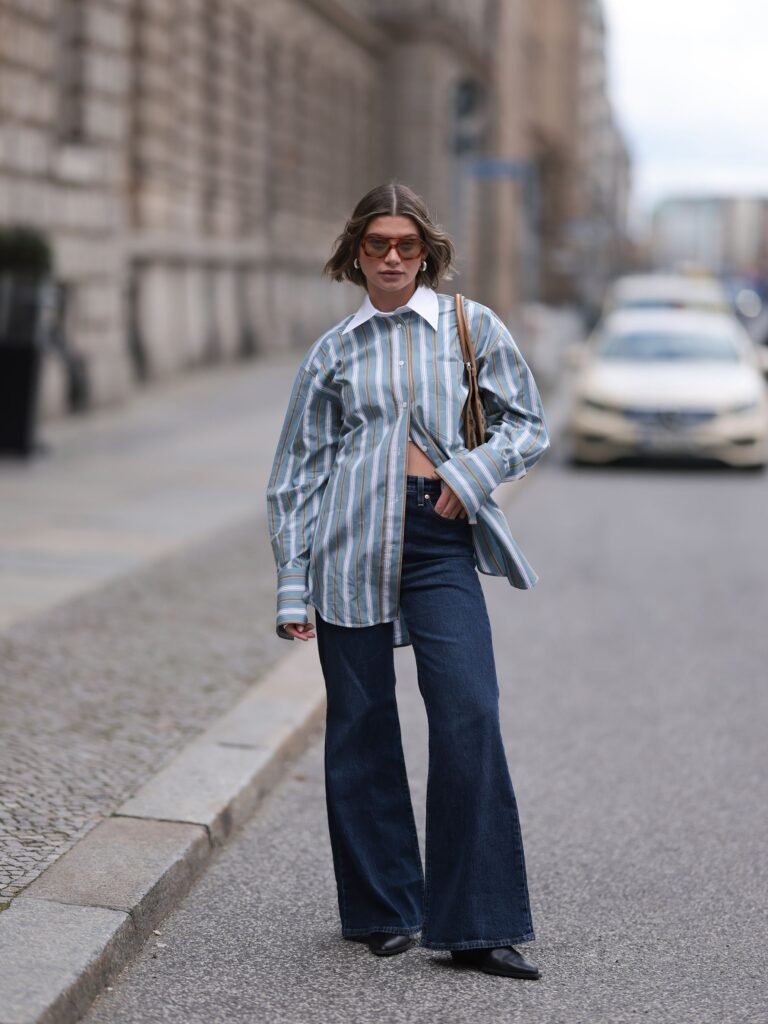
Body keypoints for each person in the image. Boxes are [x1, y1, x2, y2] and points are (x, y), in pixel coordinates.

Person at [266, 183, 549, 979]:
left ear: (427, 252)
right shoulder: (333, 352)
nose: (393, 257)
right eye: (378, 244)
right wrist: (294, 581)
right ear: (355, 252)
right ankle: (383, 908)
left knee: (469, 711)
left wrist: (475, 470)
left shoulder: (469, 327)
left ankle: (478, 923)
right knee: (360, 725)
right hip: (348, 543)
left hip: (439, 539)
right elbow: (296, 472)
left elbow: (528, 423)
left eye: (407, 245)